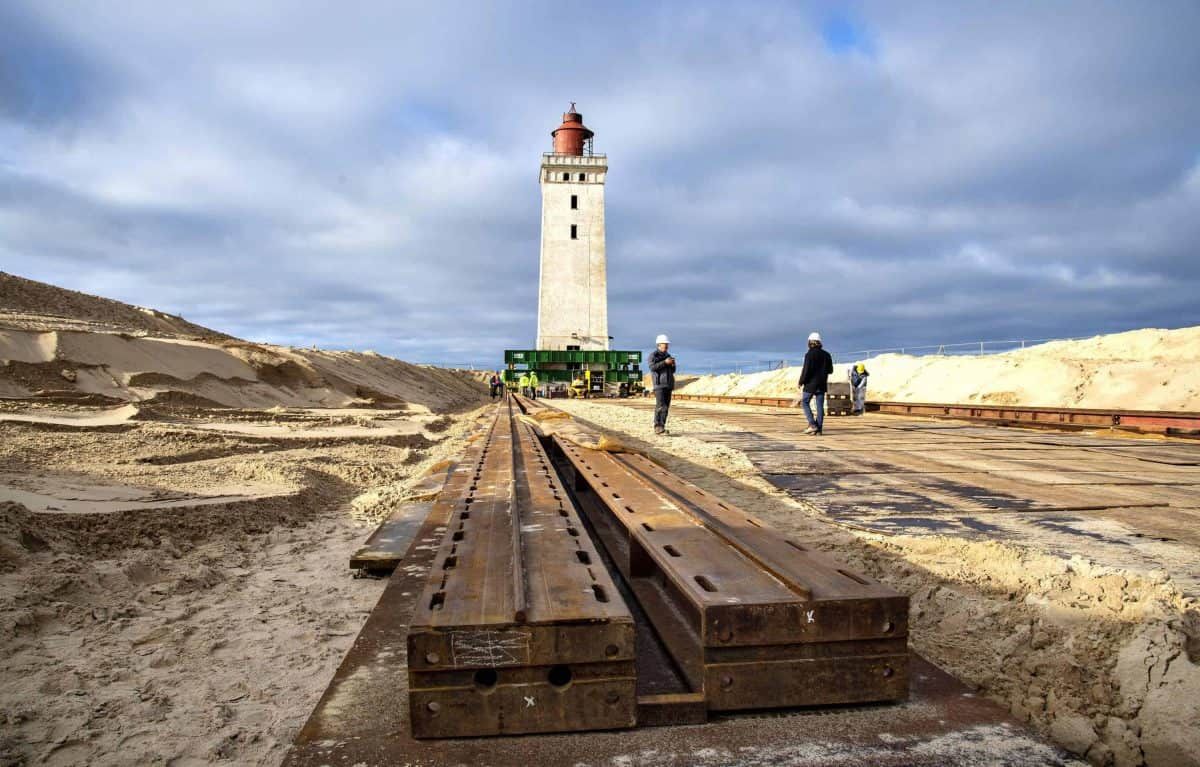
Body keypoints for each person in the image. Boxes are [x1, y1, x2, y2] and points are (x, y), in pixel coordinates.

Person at [797, 331, 834, 435]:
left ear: (810, 342)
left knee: (805, 402)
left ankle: (812, 425)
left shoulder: (809, 354)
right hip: (822, 384)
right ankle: (819, 430)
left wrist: (801, 381)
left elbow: (806, 370)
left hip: (810, 384)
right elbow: (831, 370)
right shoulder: (827, 355)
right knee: (820, 407)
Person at [649, 334, 676, 435]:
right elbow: (652, 367)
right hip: (659, 385)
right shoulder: (653, 355)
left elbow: (672, 371)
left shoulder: (668, 356)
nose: (667, 346)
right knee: (661, 406)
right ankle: (657, 427)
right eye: (665, 344)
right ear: (659, 344)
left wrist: (672, 364)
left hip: (668, 385)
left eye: (667, 344)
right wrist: (665, 362)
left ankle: (662, 427)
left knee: (666, 407)